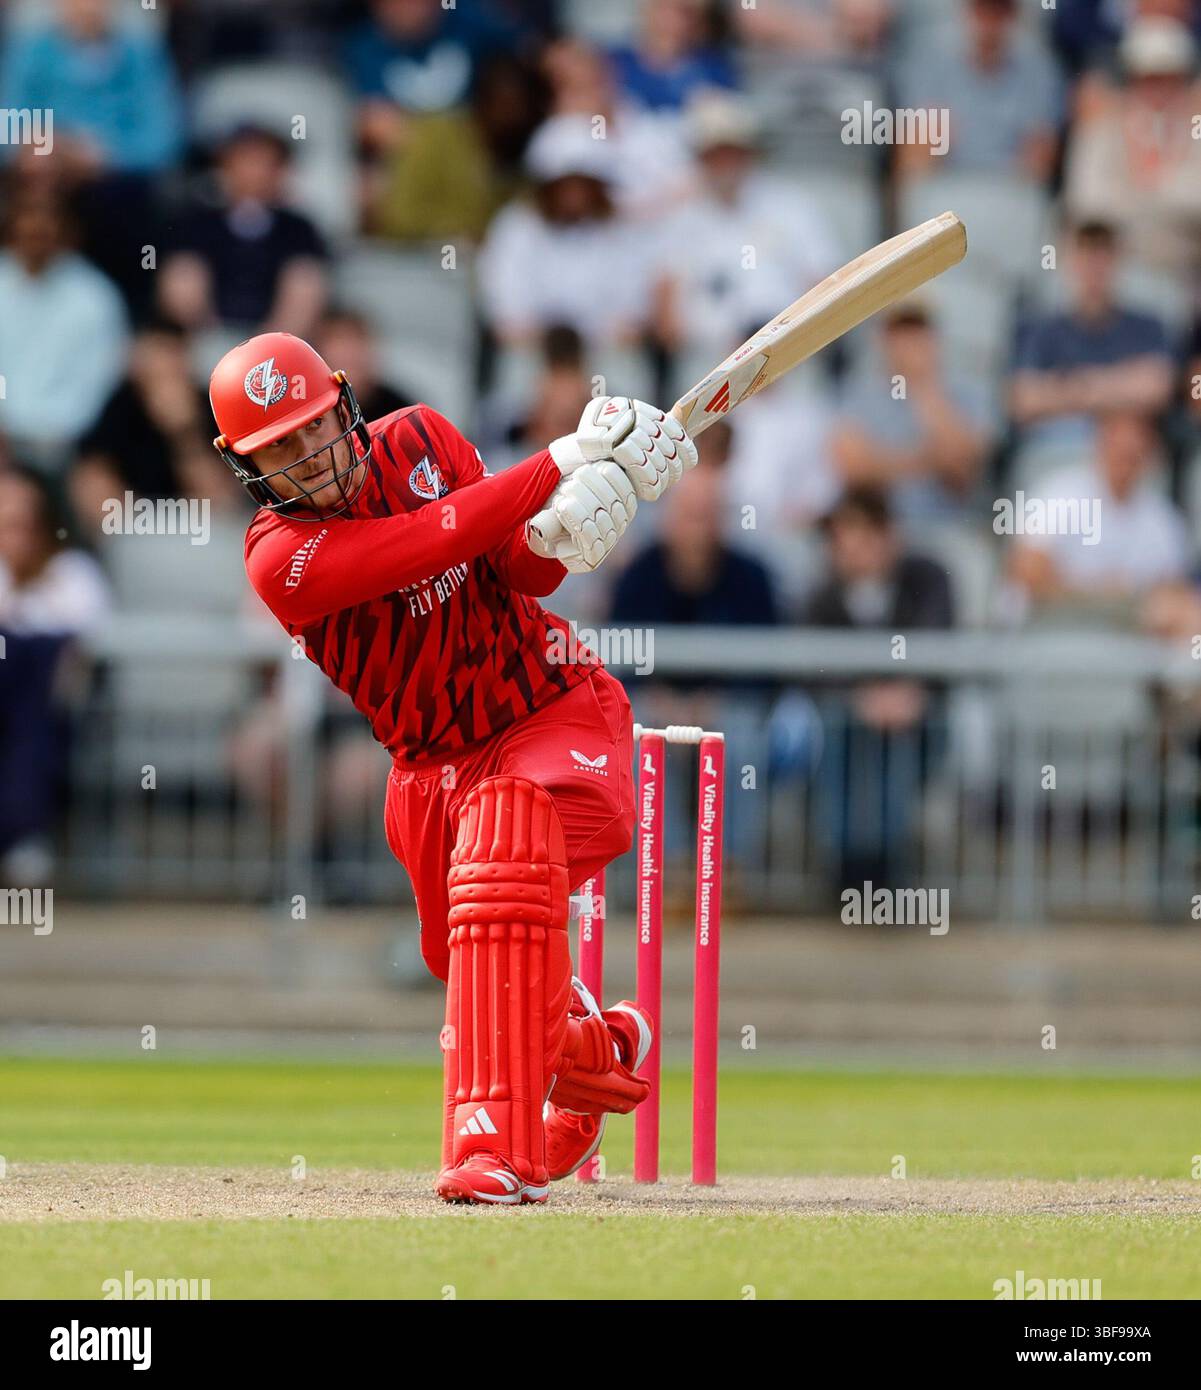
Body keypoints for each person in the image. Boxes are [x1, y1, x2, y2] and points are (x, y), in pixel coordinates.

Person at [208, 330, 698, 1204]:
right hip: (430, 775)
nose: (307, 459)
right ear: (243, 466)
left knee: (506, 858)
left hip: (551, 710)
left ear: (344, 403)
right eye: (276, 450)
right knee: (477, 965)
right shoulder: (278, 556)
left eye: (313, 427)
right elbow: (421, 545)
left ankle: (489, 1153)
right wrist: (563, 459)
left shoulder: (424, 439)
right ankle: (598, 1052)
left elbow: (509, 567)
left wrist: (567, 529)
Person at [804, 486, 954, 889]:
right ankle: (845, 870)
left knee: (896, 744)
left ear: (890, 536)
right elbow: (809, 665)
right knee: (838, 732)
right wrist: (860, 699)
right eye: (844, 537)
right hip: (845, 729)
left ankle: (888, 871)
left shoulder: (928, 579)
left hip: (917, 725)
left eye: (866, 534)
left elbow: (940, 647)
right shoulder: (821, 596)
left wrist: (909, 691)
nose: (854, 548)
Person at [0, 468, 111, 884]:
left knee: (34, 658)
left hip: (55, 713)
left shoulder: (75, 573)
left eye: (24, 523)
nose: (16, 535)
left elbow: (87, 644)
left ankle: (22, 834)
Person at [1010, 221, 1174, 451]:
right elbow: (1023, 399)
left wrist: (1067, 386)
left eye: (1103, 256)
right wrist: (1117, 385)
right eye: (1086, 255)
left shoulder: (1146, 326)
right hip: (1056, 450)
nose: (1095, 268)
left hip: (1126, 454)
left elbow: (1156, 388)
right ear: (1070, 261)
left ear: (1118, 261)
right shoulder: (1042, 327)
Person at [159, 124, 329, 339]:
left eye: (264, 163)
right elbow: (180, 284)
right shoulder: (195, 222)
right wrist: (210, 331)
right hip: (204, 335)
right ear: (224, 167)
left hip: (277, 338)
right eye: (245, 161)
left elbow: (305, 287)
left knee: (305, 279)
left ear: (280, 171)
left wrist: (267, 339)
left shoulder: (299, 229)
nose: (254, 172)